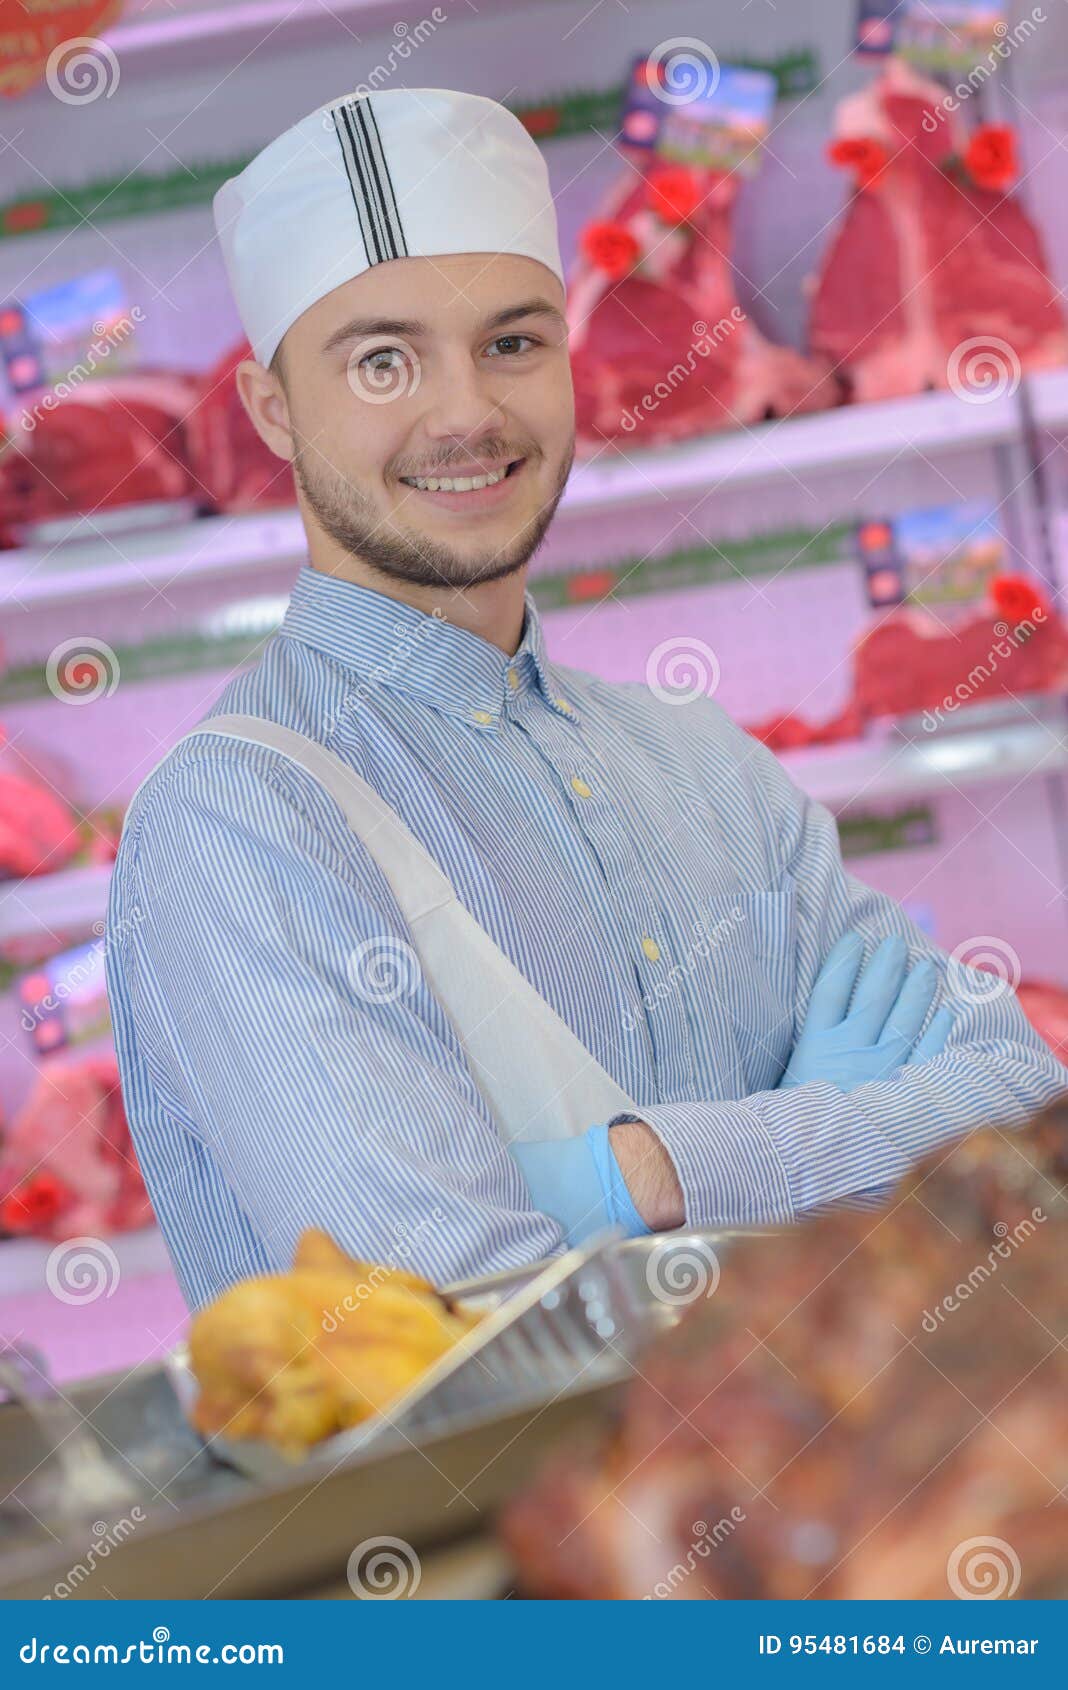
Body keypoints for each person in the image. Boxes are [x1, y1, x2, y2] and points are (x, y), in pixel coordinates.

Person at [106, 87, 1068, 1311]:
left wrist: (646, 1171)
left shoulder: (706, 765)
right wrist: (830, 1152)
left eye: (512, 341)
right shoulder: (234, 820)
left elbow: (1017, 1096)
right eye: (383, 360)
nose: (466, 413)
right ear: (273, 412)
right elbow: (447, 1319)